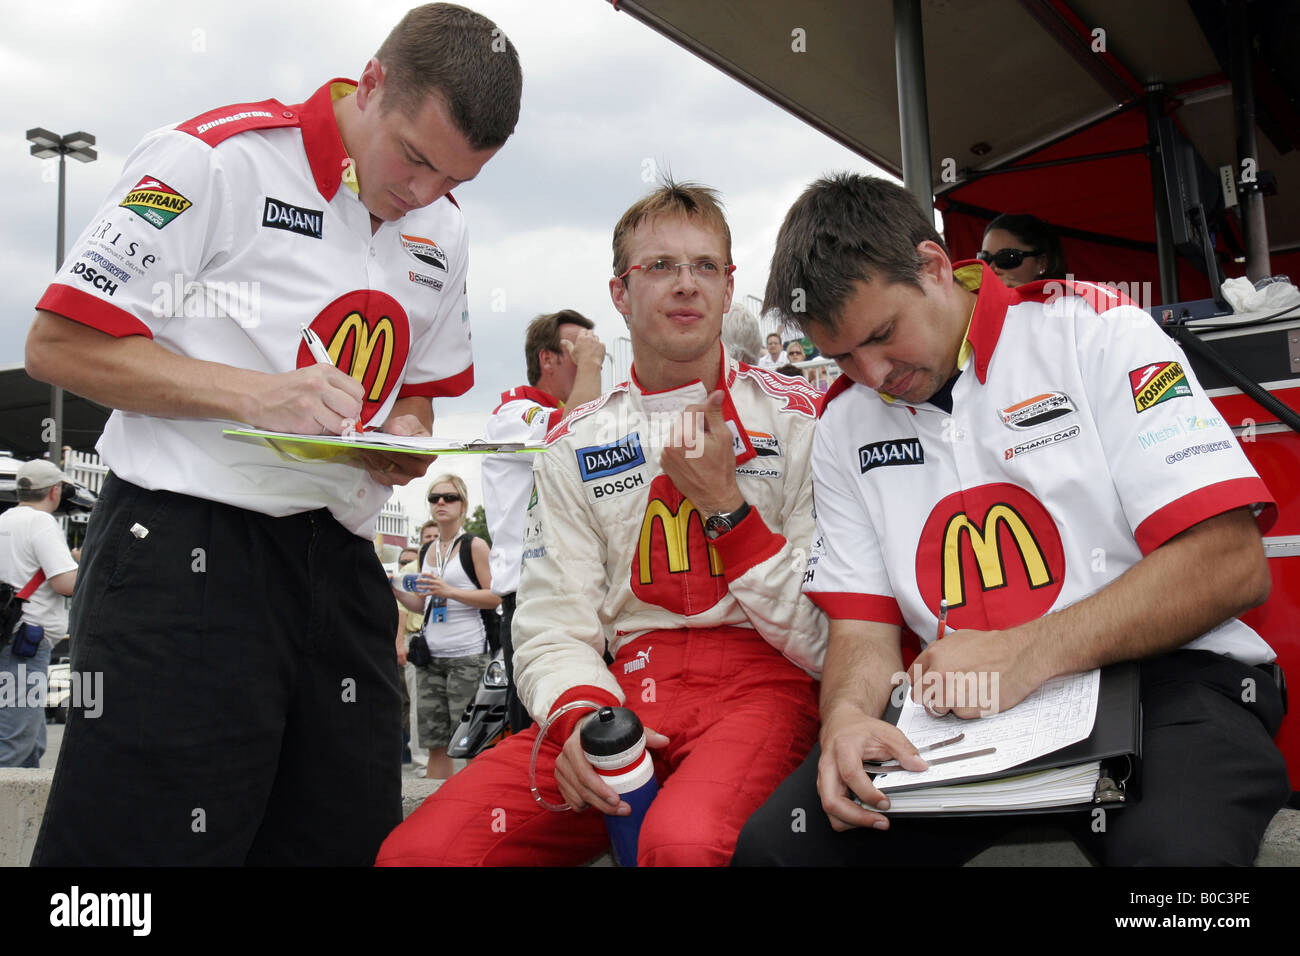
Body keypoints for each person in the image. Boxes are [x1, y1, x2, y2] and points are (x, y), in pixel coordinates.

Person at [23, 3, 522, 865]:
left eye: (455, 180)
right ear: (370, 83)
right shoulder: (216, 158)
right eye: (412, 157)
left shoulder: (443, 227)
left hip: (341, 567)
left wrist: (402, 438)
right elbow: (58, 344)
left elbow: (423, 400)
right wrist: (255, 395)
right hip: (184, 551)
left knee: (344, 841)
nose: (422, 194)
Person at [733, 172, 1289, 866]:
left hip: (1165, 677)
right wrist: (845, 715)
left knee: (1176, 870)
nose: (873, 374)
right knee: (775, 854)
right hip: (961, 710)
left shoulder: (1096, 332)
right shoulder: (843, 423)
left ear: (935, 267)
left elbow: (1230, 560)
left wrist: (1026, 652)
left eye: (882, 335)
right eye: (843, 355)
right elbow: (862, 629)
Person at [376, 180, 827, 867]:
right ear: (619, 292)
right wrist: (583, 718)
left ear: (730, 285)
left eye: (705, 266)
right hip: (619, 692)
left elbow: (830, 628)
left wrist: (728, 512)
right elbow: (552, 621)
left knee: (681, 844)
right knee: (423, 853)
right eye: (660, 267)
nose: (685, 285)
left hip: (767, 685)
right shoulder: (574, 442)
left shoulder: (799, 416)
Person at [480, 309, 605, 733]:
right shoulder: (513, 413)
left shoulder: (579, 408)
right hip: (531, 593)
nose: (591, 357)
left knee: (589, 714)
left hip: (582, 587)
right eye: (577, 349)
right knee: (537, 725)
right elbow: (576, 436)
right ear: (547, 359)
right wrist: (591, 368)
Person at [396, 474, 498, 779]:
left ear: (463, 504)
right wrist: (396, 590)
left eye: (449, 497)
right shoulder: (428, 551)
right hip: (431, 658)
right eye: (434, 498)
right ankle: (436, 808)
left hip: (467, 655)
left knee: (469, 740)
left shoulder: (474, 546)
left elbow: (494, 596)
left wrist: (449, 591)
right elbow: (421, 605)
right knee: (435, 744)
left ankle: (473, 806)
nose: (440, 503)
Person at [0, 461, 79, 768]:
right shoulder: (41, 524)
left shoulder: (4, 519)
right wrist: (82, 562)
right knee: (15, 743)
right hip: (25, 642)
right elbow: (65, 583)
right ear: (55, 491)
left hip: (11, 636)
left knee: (31, 742)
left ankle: (26, 817)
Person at [979, 212, 1067, 288]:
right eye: (985, 259)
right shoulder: (972, 302)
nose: (991, 268)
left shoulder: (1069, 304)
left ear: (1041, 263)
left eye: (1007, 258)